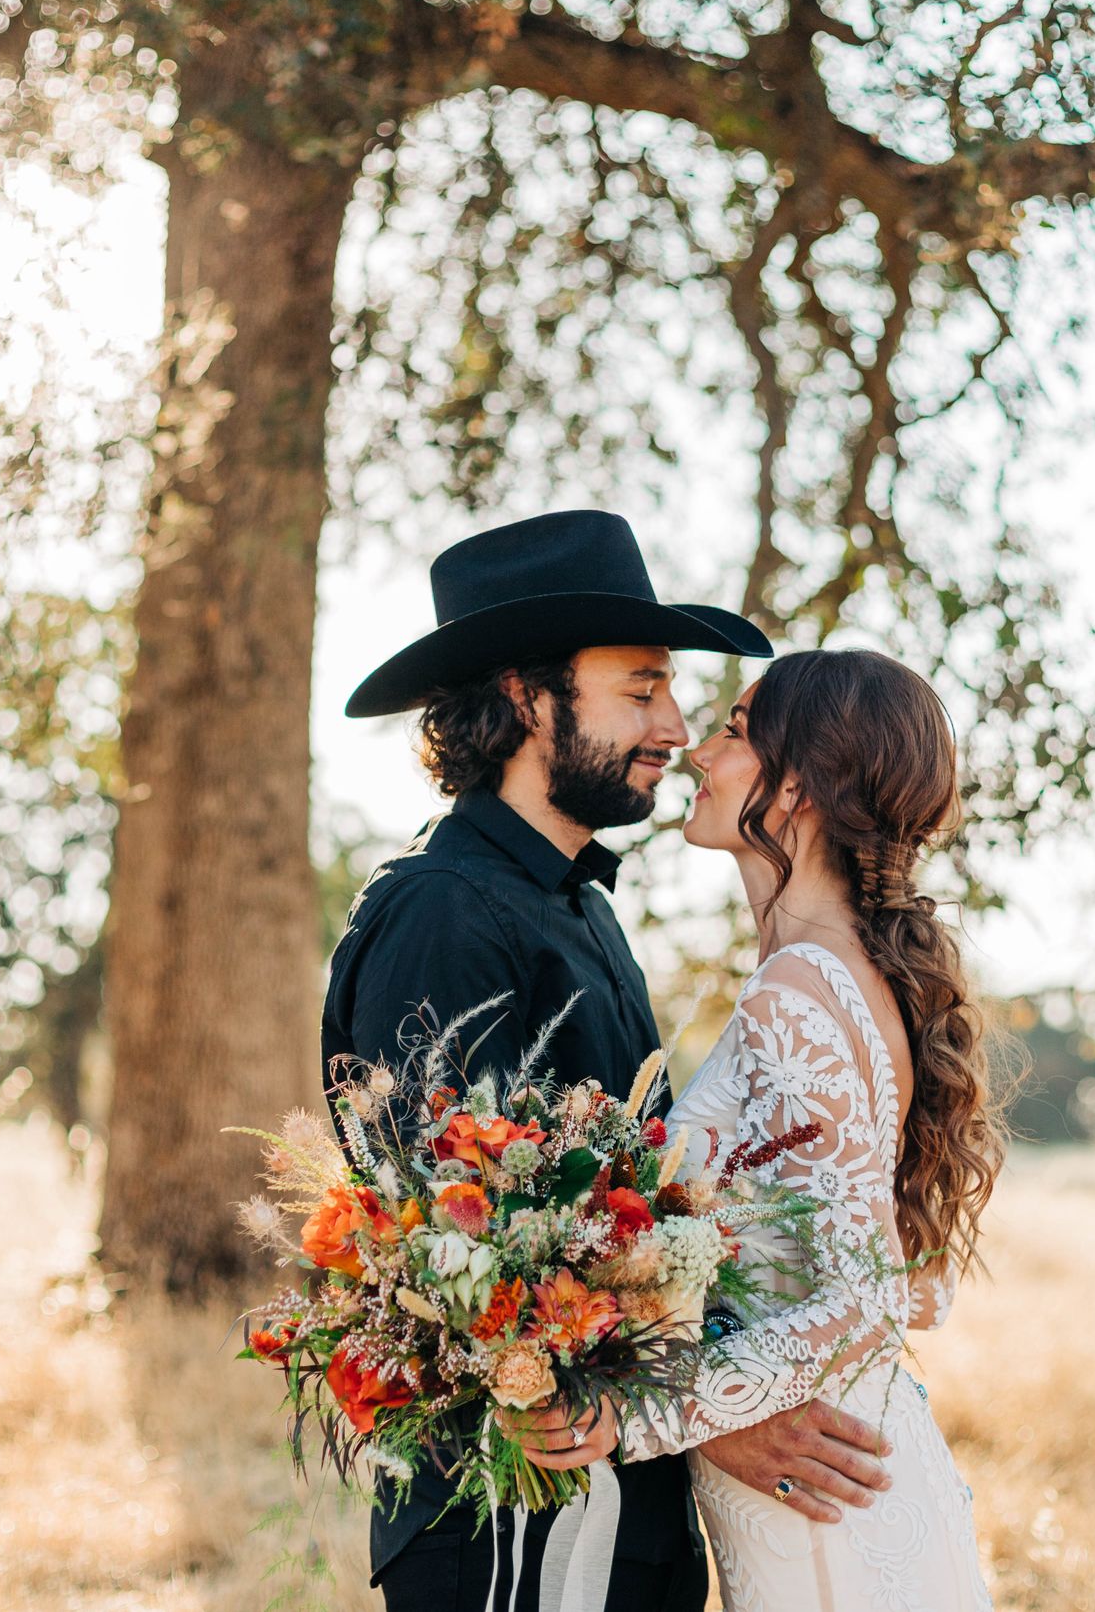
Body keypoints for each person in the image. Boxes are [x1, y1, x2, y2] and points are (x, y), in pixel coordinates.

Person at [324, 511, 906, 1611]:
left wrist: (697, 1407)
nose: (676, 727)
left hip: (625, 1524)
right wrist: (713, 1412)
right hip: (508, 1531)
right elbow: (452, 1257)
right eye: (640, 689)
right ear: (522, 698)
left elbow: (627, 1232)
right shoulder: (440, 913)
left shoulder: (584, 911)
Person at [572, 646, 1004, 1609]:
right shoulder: (838, 974)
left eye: (731, 730)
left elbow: (871, 1301)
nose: (697, 750)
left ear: (799, 783)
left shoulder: (797, 993)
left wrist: (633, 1411)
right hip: (829, 1490)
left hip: (830, 1529)